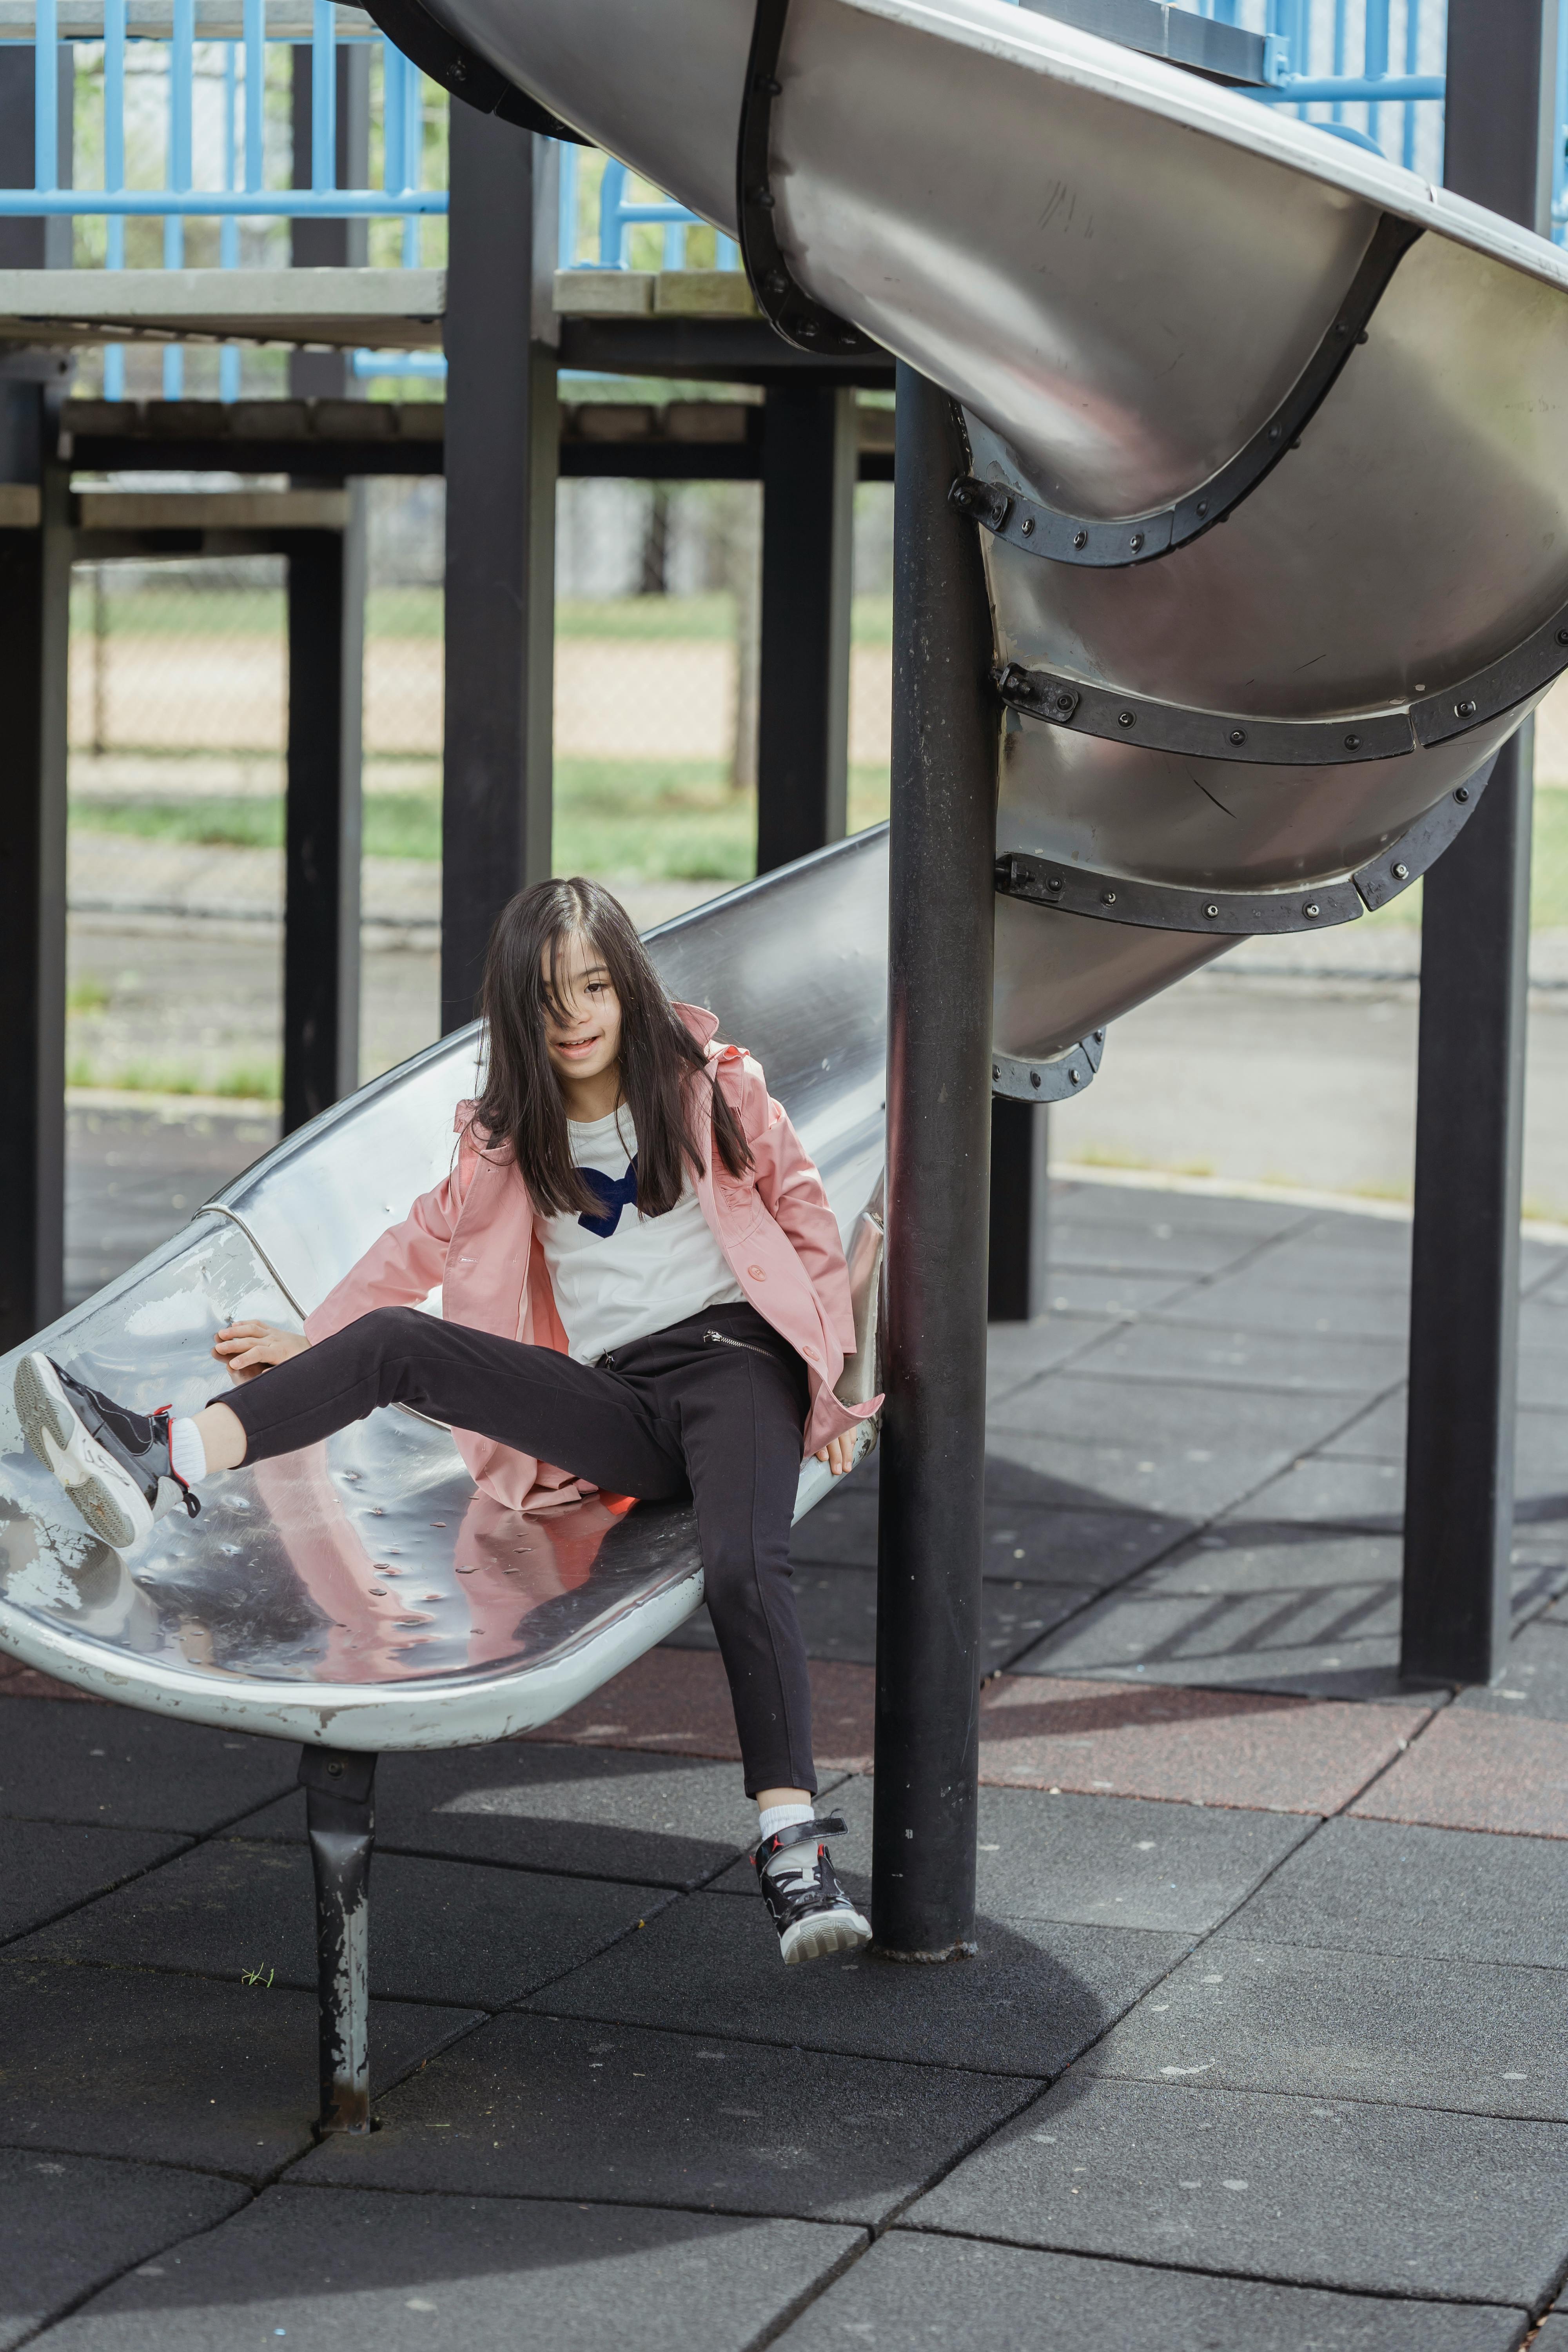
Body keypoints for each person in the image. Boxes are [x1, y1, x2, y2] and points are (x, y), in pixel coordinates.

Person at [16, 877, 880, 1967]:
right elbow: (412, 1251)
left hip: (735, 1367)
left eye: (596, 989)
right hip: (618, 1399)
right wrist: (320, 1339)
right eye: (550, 997)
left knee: (743, 1563)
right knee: (399, 1347)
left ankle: (790, 1847)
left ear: (630, 991)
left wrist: (829, 1383)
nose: (575, 1018)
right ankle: (164, 1454)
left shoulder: (715, 1089)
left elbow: (806, 1218)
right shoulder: (508, 1139)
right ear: (517, 1010)